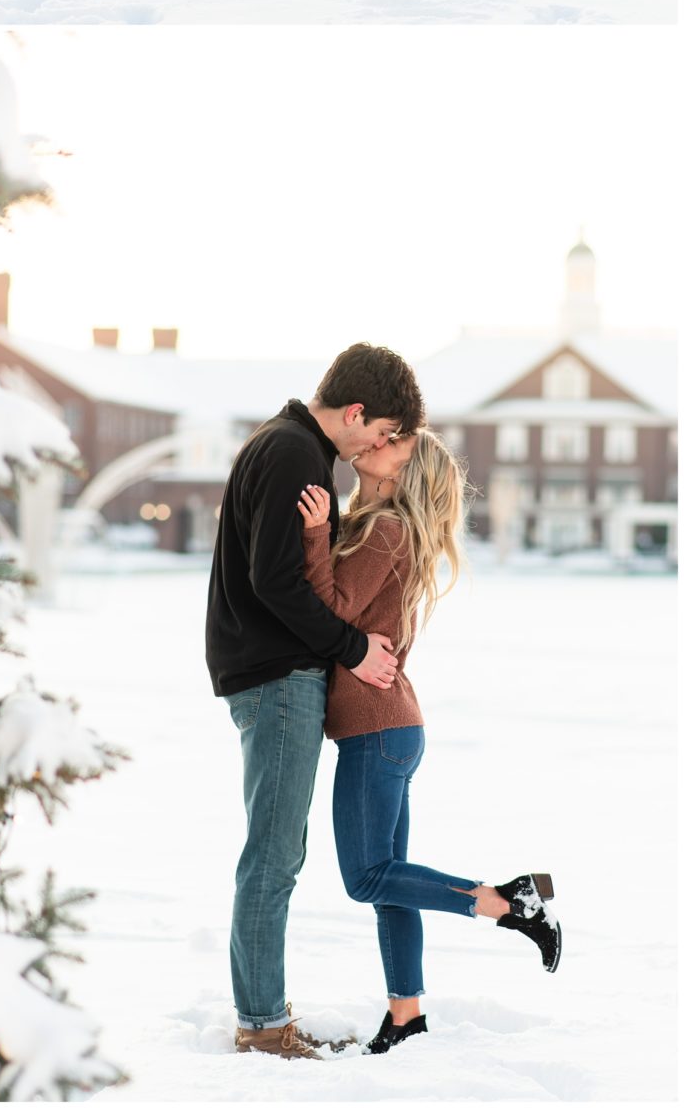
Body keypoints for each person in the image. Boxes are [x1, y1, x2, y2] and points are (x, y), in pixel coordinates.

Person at [298, 426, 562, 1057]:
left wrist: (313, 533)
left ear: (403, 473)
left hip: (377, 728)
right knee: (390, 881)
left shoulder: (386, 530)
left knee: (367, 879)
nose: (374, 444)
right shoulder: (383, 529)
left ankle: (509, 903)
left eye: (393, 444)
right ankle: (406, 1017)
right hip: (389, 727)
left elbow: (329, 604)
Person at [205, 343, 425, 1060]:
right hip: (276, 679)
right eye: (382, 433)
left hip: (267, 675)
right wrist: (353, 649)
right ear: (357, 412)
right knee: (273, 857)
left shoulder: (285, 444)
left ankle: (265, 1016)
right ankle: (263, 1028)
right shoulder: (298, 455)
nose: (379, 446)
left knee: (277, 851)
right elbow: (277, 581)